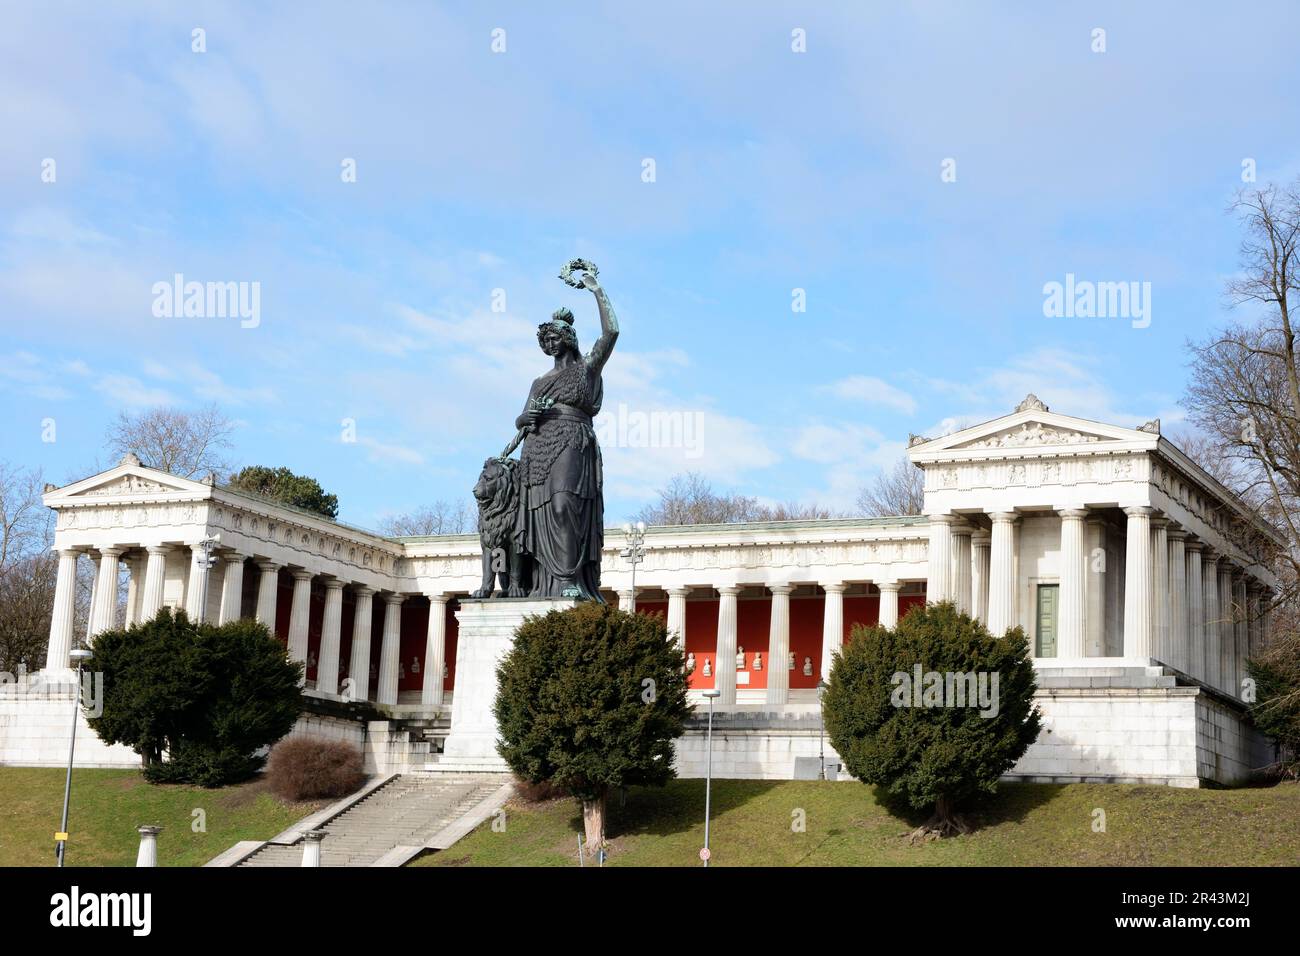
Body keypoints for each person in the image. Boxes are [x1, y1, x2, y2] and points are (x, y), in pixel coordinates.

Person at [513, 268, 618, 599]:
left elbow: (611, 332)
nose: (550, 343)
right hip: (537, 447)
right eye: (546, 340)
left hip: (573, 439)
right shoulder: (539, 382)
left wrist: (596, 290)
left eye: (554, 338)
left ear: (568, 338)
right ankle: (545, 582)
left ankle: (568, 577)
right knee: (539, 512)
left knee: (563, 504)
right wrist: (527, 417)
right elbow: (521, 419)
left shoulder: (586, 368)